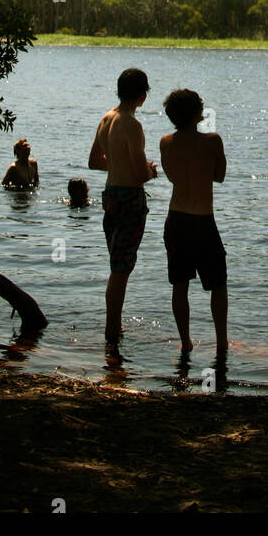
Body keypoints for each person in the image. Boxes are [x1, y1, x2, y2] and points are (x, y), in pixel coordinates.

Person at [88, 68, 157, 350]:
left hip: (110, 196)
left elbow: (94, 161)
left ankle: (113, 328)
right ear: (142, 96)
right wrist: (151, 171)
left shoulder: (106, 118)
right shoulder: (132, 124)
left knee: (117, 265)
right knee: (121, 269)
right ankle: (112, 332)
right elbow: (140, 175)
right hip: (129, 199)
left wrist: (118, 166)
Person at [159, 88, 228, 358]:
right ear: (196, 113)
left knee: (180, 283)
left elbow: (173, 177)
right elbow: (220, 176)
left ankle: (185, 342)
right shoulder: (213, 141)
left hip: (176, 219)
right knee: (218, 284)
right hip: (203, 221)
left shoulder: (165, 142)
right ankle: (221, 343)